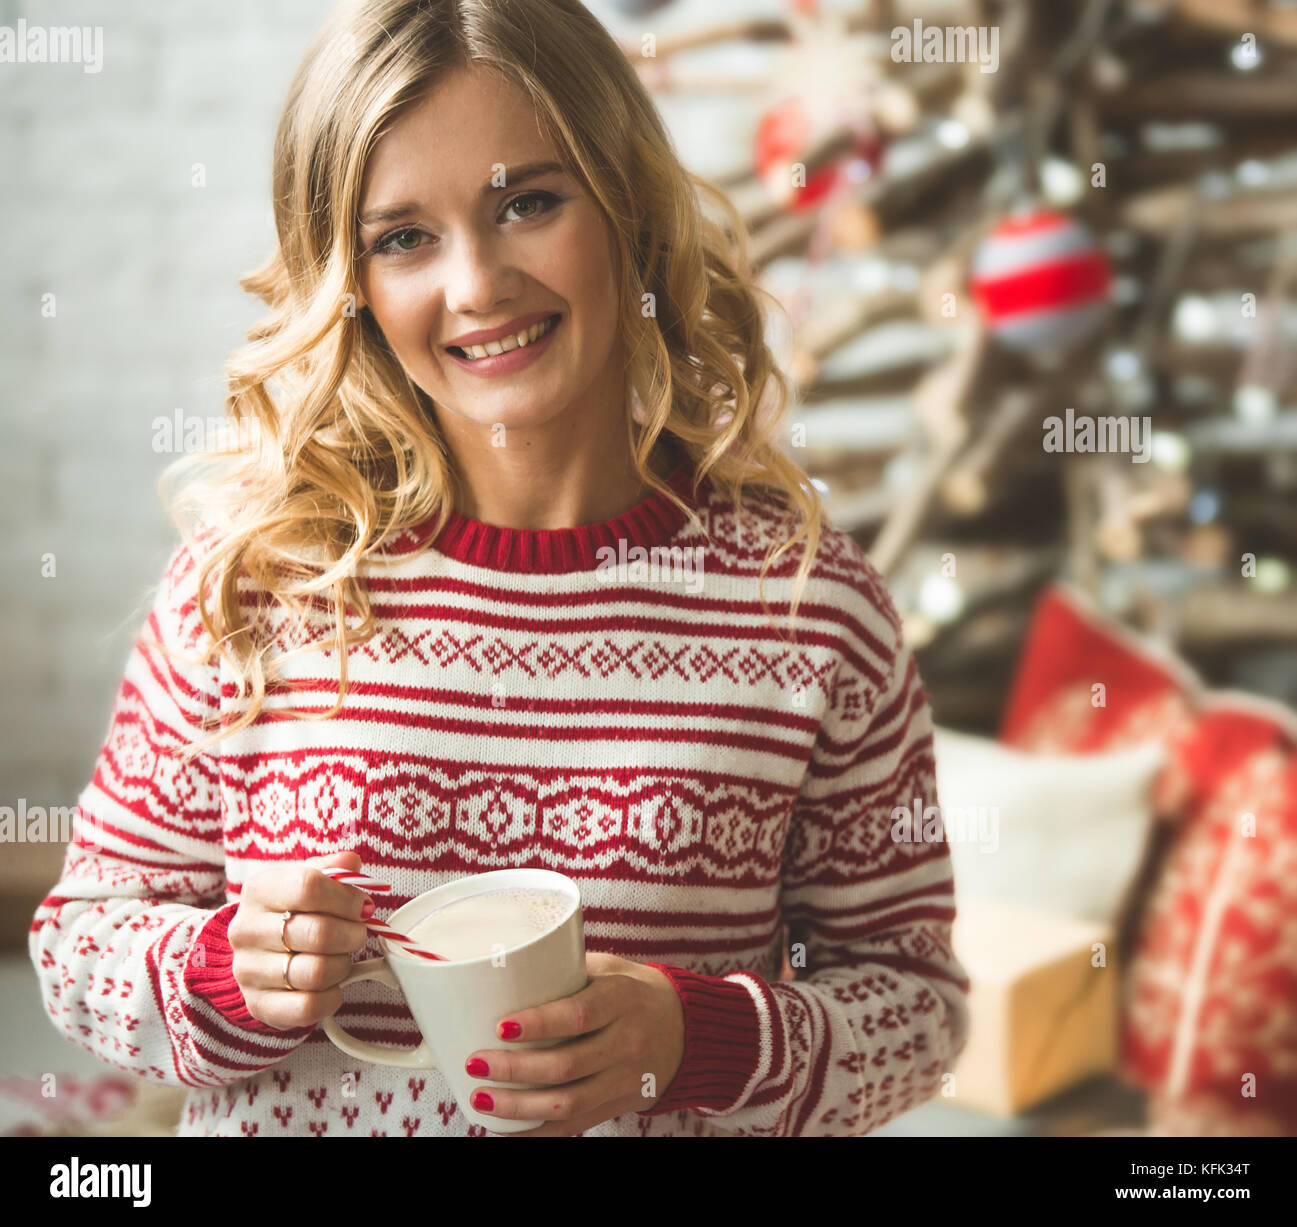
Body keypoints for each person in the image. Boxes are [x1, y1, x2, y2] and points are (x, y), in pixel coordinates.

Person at [30, 0, 969, 1137]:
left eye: (527, 202)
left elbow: (917, 1014)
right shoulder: (254, 587)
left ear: (624, 206)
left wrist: (697, 1036)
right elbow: (79, 946)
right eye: (402, 237)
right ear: (354, 283)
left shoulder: (809, 613)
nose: (475, 285)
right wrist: (225, 976)